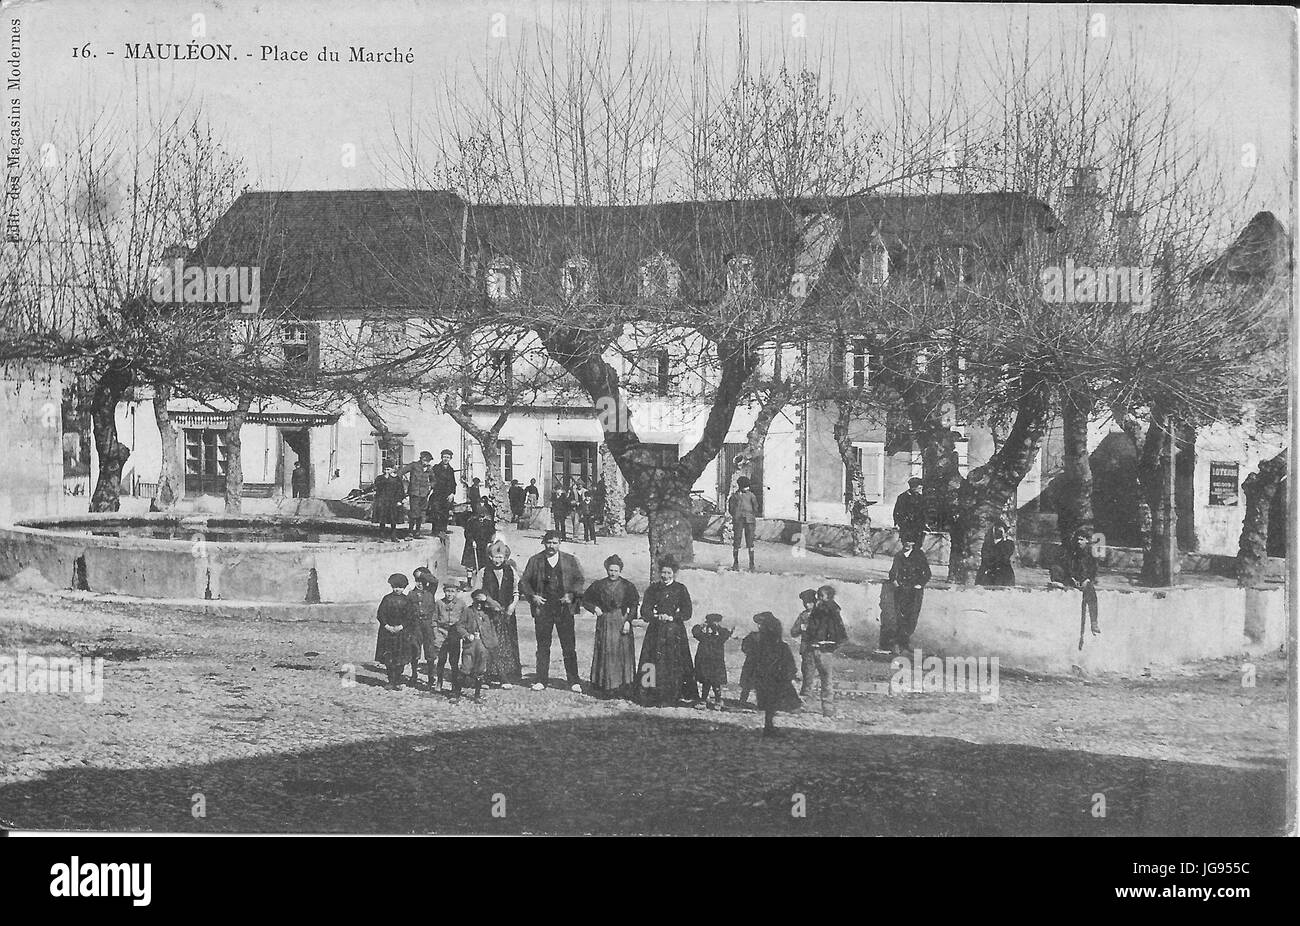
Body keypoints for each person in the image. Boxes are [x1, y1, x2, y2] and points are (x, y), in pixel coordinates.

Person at [519, 530, 586, 693]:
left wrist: (571, 595)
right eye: (548, 543)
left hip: (564, 608)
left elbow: (580, 580)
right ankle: (541, 679)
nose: (551, 546)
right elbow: (524, 582)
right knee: (543, 645)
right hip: (544, 608)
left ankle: (573, 681)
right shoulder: (535, 560)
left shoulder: (570, 560)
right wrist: (533, 596)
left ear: (560, 543)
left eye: (554, 543)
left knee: (568, 645)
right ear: (543, 543)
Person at [636, 556, 699, 706]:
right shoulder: (653, 589)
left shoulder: (680, 589)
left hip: (674, 632)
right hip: (655, 632)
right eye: (663, 573)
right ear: (659, 573)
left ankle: (674, 694)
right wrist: (656, 616)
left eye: (669, 573)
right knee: (651, 662)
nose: (665, 576)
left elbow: (687, 611)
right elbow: (644, 610)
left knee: (674, 663)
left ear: (674, 574)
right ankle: (649, 694)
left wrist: (672, 617)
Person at [582, 554, 640, 698]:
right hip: (605, 621)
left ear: (620, 570)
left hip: (621, 620)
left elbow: (634, 605)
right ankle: (606, 686)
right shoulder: (599, 585)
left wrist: (628, 621)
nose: (612, 573)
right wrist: (594, 608)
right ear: (606, 570)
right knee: (606, 653)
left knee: (622, 653)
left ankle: (623, 686)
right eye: (610, 570)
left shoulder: (628, 586)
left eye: (615, 570)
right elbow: (585, 599)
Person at [475, 541, 522, 687]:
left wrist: (512, 606)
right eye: (495, 557)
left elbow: (516, 591)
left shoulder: (511, 571)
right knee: (489, 643)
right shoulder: (483, 571)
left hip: (507, 613)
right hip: (488, 613)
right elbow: (477, 592)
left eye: (501, 557)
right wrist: (489, 601)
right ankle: (486, 674)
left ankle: (506, 674)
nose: (498, 560)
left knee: (507, 643)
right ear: (490, 557)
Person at [749, 611, 802, 737]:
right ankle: (769, 726)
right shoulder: (776, 645)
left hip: (770, 675)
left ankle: (769, 726)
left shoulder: (768, 644)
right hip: (770, 675)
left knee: (770, 702)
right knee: (770, 702)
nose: (759, 627)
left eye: (760, 624)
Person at [799, 585, 849, 717]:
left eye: (822, 596)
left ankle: (824, 707)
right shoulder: (822, 611)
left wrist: (831, 644)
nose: (819, 599)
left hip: (823, 649)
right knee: (817, 678)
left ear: (829, 597)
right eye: (819, 597)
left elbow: (839, 631)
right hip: (819, 648)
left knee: (823, 679)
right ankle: (820, 707)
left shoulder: (829, 612)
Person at [1052, 529, 1100, 637]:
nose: (1079, 542)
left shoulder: (1091, 554)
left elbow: (1093, 570)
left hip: (1085, 580)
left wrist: (1088, 579)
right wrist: (1071, 578)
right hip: (1073, 579)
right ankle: (1059, 583)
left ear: (1087, 541)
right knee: (1056, 568)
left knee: (1091, 591)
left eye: (1082, 540)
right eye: (1077, 539)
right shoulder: (1073, 552)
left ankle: (1094, 622)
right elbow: (1068, 566)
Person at [889, 535, 932, 655]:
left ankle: (905, 643)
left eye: (910, 541)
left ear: (914, 543)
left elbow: (927, 573)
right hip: (901, 590)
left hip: (914, 591)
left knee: (912, 617)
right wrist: (895, 583)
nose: (908, 543)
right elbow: (892, 572)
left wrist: (920, 584)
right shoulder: (898, 556)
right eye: (905, 541)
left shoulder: (919, 555)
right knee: (900, 617)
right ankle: (898, 644)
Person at [455, 591, 500, 703]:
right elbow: (460, 626)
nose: (479, 604)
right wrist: (466, 635)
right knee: (465, 668)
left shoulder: (489, 612)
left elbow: (499, 608)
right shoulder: (468, 611)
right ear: (473, 600)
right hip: (470, 644)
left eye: (482, 602)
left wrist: (487, 599)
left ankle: (477, 695)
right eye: (477, 601)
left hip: (484, 644)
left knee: (480, 670)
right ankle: (456, 695)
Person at [374, 573, 416, 689]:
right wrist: (386, 626)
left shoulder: (407, 600)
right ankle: (390, 680)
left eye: (400, 587)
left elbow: (410, 617)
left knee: (400, 658)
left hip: (402, 633)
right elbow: (381, 614)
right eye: (395, 587)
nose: (398, 589)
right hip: (387, 632)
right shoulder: (387, 599)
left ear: (405, 587)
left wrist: (401, 626)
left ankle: (397, 679)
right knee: (389, 658)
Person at [432, 578, 470, 692]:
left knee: (454, 662)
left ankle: (454, 683)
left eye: (453, 591)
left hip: (455, 635)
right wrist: (436, 633)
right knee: (441, 660)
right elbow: (434, 620)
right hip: (441, 635)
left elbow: (465, 620)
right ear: (444, 591)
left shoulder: (461, 604)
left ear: (457, 592)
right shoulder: (439, 603)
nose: (450, 594)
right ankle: (439, 681)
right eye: (448, 591)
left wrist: (463, 633)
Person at [408, 566, 442, 688]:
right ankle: (413, 675)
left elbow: (435, 581)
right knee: (415, 649)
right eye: (417, 582)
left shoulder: (430, 591)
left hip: (428, 625)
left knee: (430, 651)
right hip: (416, 625)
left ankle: (431, 677)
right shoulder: (411, 594)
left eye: (422, 582)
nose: (419, 584)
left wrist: (422, 574)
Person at [692, 613, 732, 710]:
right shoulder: (704, 635)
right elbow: (695, 632)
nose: (714, 625)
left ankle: (717, 701)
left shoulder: (719, 635)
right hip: (706, 662)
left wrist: (718, 628)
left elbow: (727, 634)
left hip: (716, 663)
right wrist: (702, 626)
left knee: (715, 683)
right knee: (707, 682)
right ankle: (705, 700)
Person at [788, 588, 821, 698]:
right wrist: (801, 629)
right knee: (807, 673)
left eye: (810, 603)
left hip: (821, 648)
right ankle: (806, 695)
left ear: (814, 602)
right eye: (805, 603)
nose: (807, 605)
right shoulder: (803, 616)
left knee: (824, 674)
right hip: (807, 649)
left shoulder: (822, 614)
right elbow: (793, 632)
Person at [397, 452, 436, 537]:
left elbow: (433, 480)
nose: (426, 462)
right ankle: (410, 531)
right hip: (414, 493)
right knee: (414, 512)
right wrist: (404, 484)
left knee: (421, 512)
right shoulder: (414, 465)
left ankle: (418, 531)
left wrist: (430, 486)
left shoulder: (430, 469)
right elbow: (400, 472)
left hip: (424, 494)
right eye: (425, 460)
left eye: (428, 461)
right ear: (421, 458)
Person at [727, 476, 760, 572]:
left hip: (749, 521)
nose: (746, 488)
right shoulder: (734, 496)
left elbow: (756, 508)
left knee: (750, 541)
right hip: (738, 520)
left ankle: (751, 564)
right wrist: (736, 515)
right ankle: (735, 563)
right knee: (737, 541)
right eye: (744, 486)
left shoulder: (751, 496)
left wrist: (750, 515)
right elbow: (731, 508)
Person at [977, 519, 1017, 587]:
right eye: (996, 529)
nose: (998, 532)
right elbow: (985, 557)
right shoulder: (988, 543)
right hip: (988, 572)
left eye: (1001, 530)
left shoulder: (1009, 544)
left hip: (1003, 573)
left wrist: (1004, 541)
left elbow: (1005, 557)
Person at [461, 499, 495, 580]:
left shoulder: (489, 523)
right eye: (479, 516)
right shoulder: (471, 522)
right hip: (471, 546)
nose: (481, 518)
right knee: (470, 565)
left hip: (483, 546)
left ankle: (480, 582)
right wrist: (472, 541)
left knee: (482, 564)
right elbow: (467, 533)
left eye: (483, 516)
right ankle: (469, 583)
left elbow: (492, 533)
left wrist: (490, 542)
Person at [428, 449, 458, 536]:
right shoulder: (436, 468)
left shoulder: (451, 470)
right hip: (437, 494)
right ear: (441, 457)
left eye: (448, 457)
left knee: (445, 512)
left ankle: (443, 529)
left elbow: (453, 483)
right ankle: (435, 530)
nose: (446, 459)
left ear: (450, 459)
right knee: (436, 512)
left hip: (447, 495)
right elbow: (431, 479)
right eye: (444, 457)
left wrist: (452, 493)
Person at [371, 463, 405, 540]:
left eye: (388, 469)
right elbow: (377, 487)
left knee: (393, 518)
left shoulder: (397, 479)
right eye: (385, 469)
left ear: (393, 469)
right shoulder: (380, 478)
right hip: (383, 501)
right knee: (382, 518)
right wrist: (385, 479)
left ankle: (393, 535)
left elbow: (400, 490)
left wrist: (399, 500)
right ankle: (382, 535)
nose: (386, 471)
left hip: (393, 501)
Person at [893, 477, 928, 542]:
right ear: (913, 488)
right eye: (919, 488)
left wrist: (925, 523)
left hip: (919, 528)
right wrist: (898, 523)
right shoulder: (902, 497)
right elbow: (897, 512)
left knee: (917, 546)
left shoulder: (921, 498)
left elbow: (923, 512)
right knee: (907, 546)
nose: (921, 489)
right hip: (906, 527)